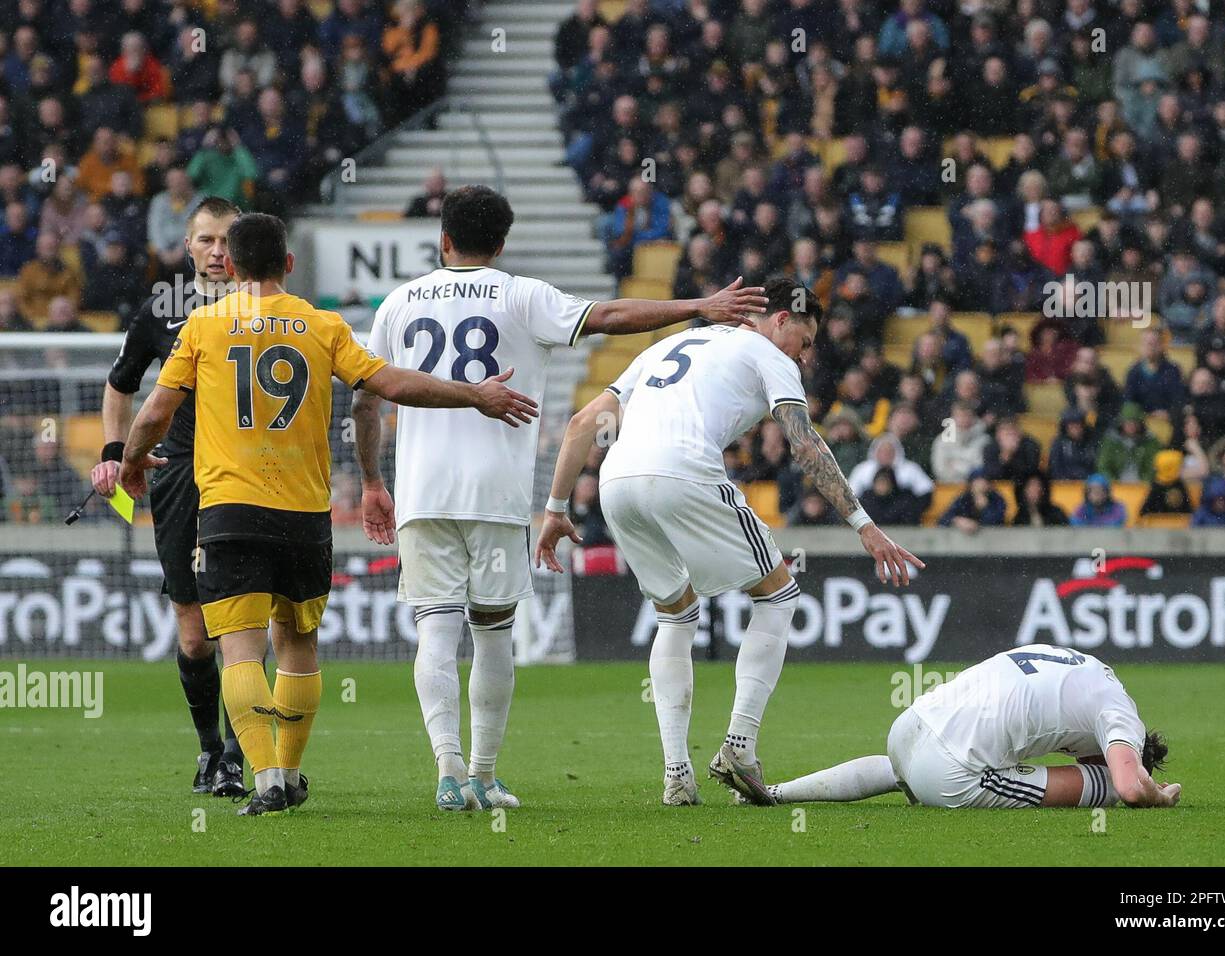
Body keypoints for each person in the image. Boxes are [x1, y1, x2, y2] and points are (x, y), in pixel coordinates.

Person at [352, 185, 771, 813]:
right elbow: (608, 317)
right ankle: (486, 778)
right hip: (494, 495)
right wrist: (699, 305)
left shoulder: (397, 304)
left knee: (434, 633)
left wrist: (372, 481)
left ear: (443, 240)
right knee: (492, 637)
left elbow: (364, 398)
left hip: (422, 492)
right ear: (500, 244)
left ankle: (448, 768)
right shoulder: (521, 294)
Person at [118, 212, 539, 817]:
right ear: (289, 264)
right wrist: (476, 394)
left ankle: (263, 777)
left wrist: (132, 462)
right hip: (304, 514)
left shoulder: (206, 326)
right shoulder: (323, 325)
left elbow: (156, 410)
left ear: (231, 267)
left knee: (239, 649)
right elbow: (391, 383)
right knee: (298, 642)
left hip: (230, 509)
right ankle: (288, 771)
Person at [535, 278, 922, 808]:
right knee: (779, 595)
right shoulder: (767, 352)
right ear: (781, 320)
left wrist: (556, 510)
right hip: (684, 472)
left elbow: (583, 422)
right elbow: (805, 446)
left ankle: (677, 774)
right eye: (804, 342)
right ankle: (739, 747)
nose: (804, 358)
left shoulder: (667, 346)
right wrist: (864, 524)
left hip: (617, 482)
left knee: (675, 615)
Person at [90, 197, 249, 796]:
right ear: (187, 247)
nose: (216, 251)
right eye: (206, 240)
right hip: (181, 475)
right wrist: (112, 453)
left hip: (247, 474)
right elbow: (119, 385)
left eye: (227, 240)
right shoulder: (164, 309)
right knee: (193, 632)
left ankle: (240, 754)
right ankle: (210, 752)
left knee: (244, 618)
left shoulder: (264, 304)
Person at [764, 646, 1180, 810]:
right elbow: (1128, 786)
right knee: (1105, 789)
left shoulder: (1083, 663)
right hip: (946, 772)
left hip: (909, 726)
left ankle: (775, 793)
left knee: (901, 771)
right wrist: (1156, 795)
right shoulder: (1121, 715)